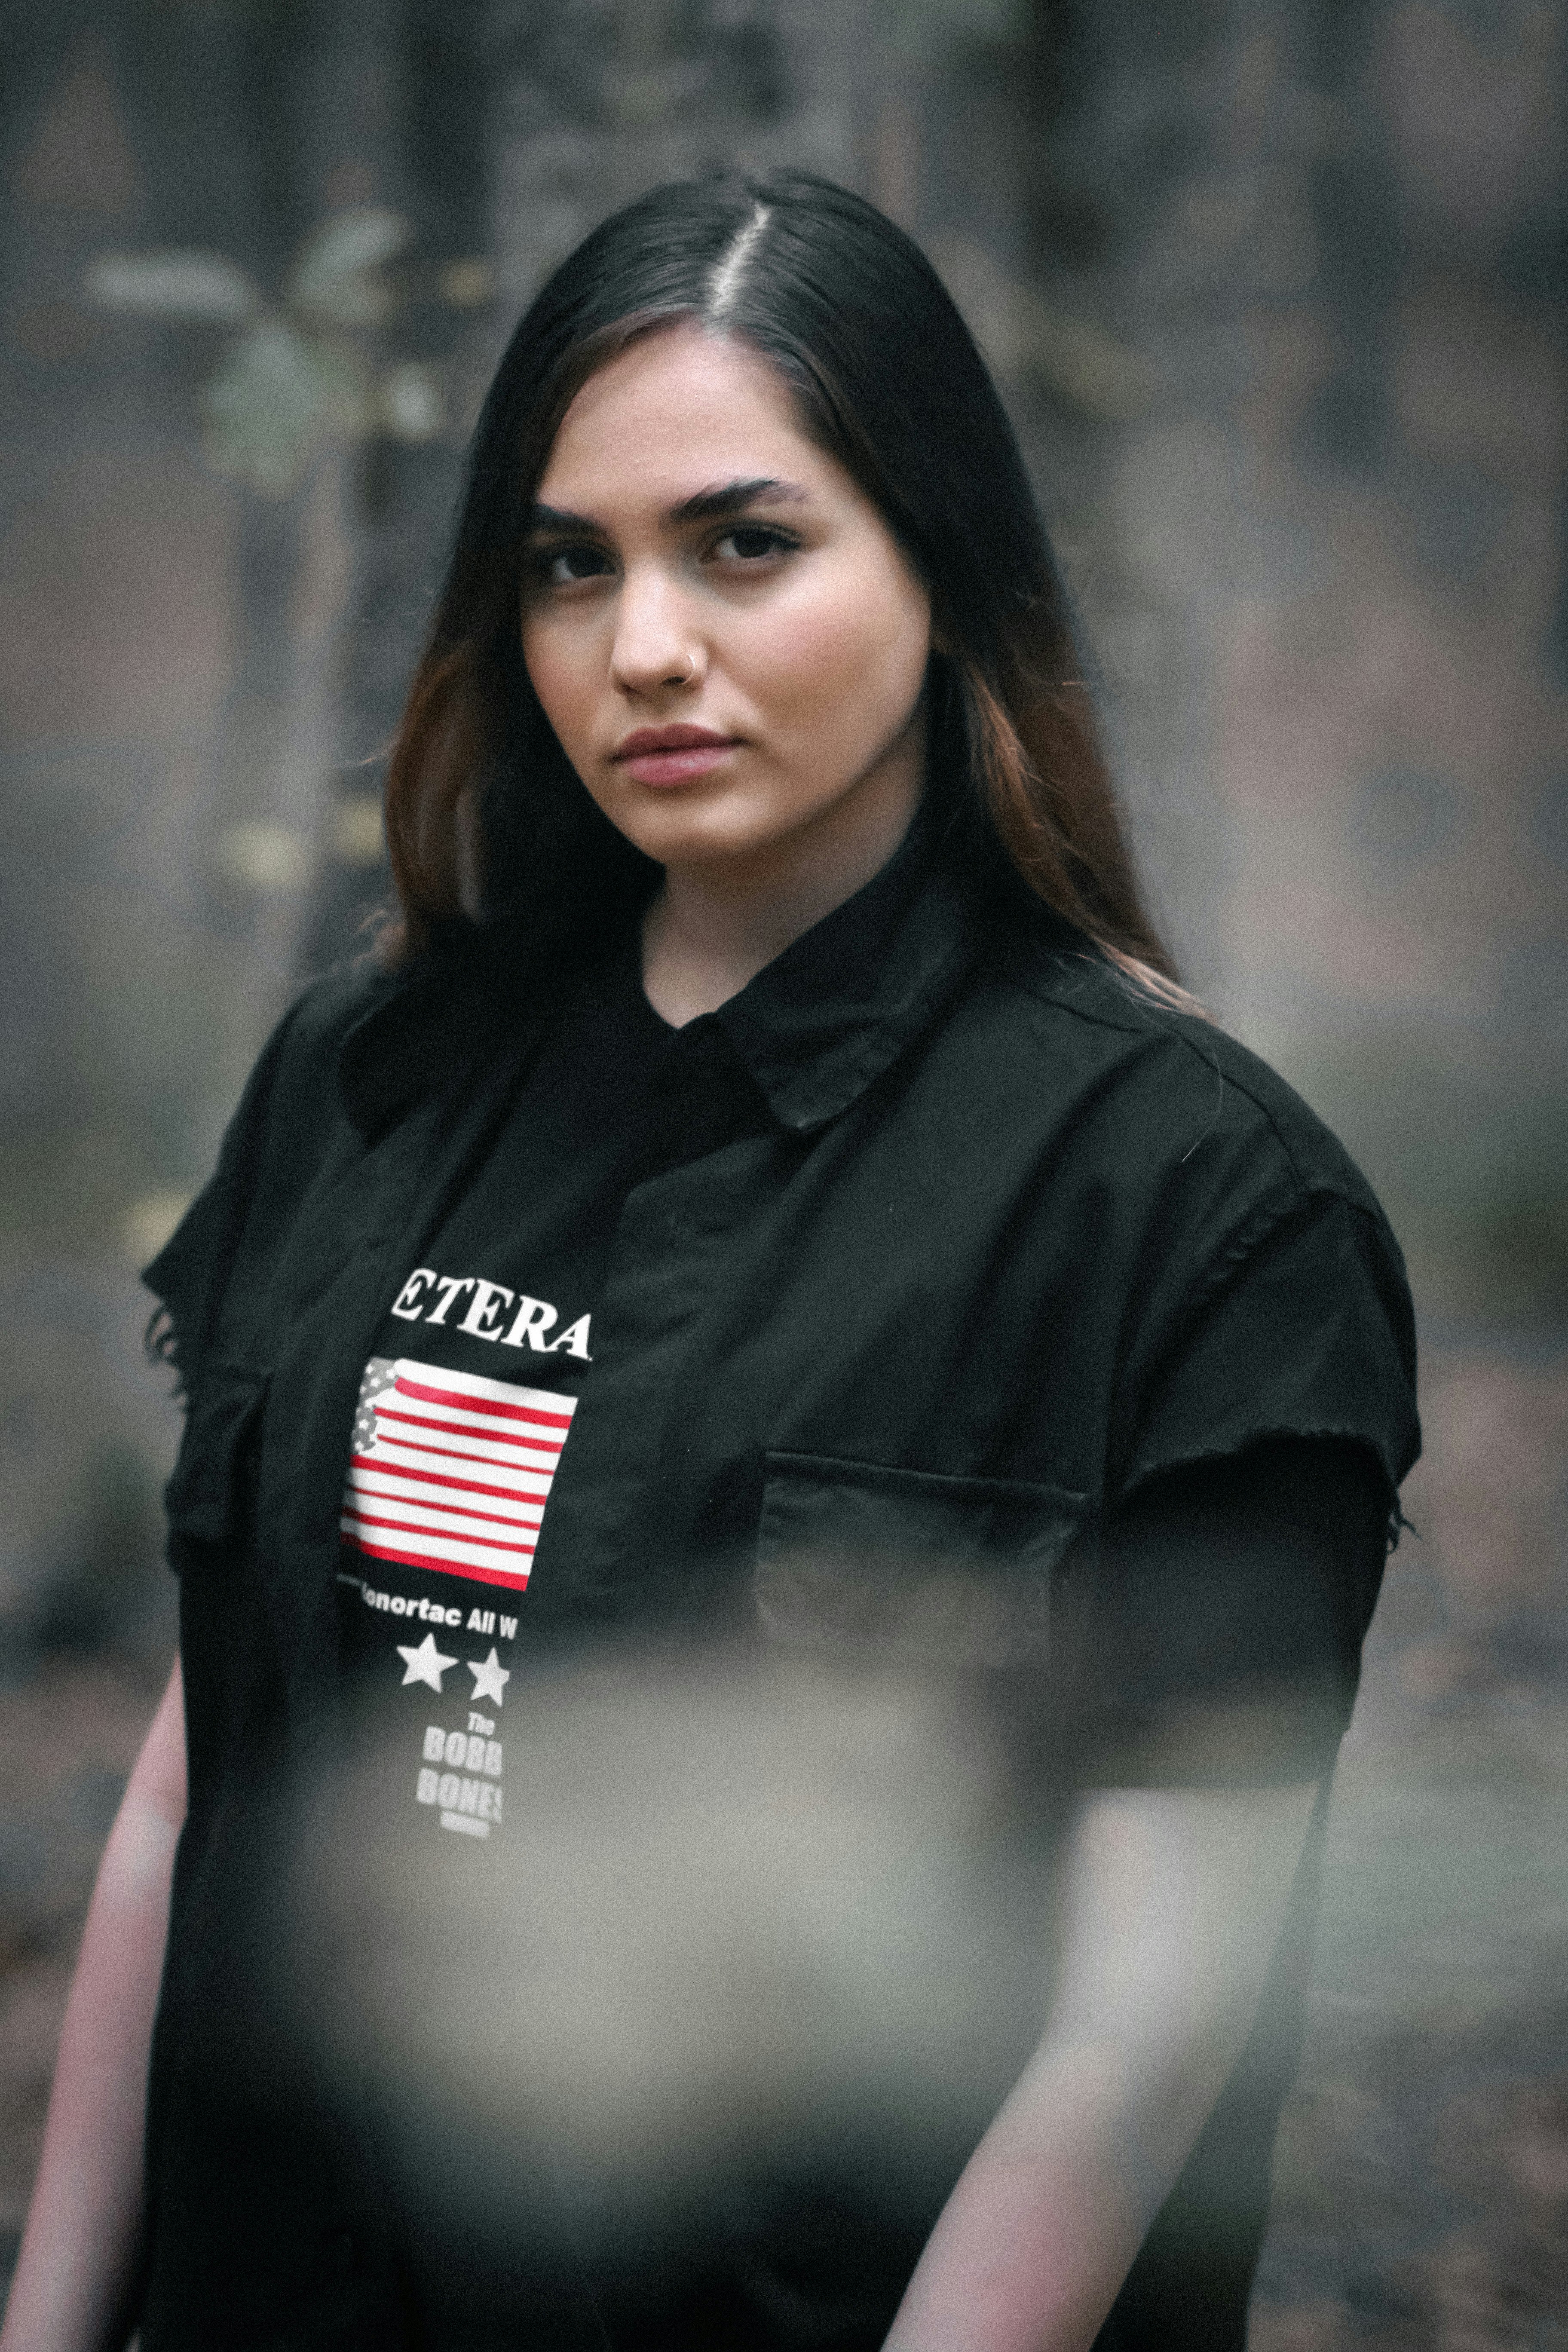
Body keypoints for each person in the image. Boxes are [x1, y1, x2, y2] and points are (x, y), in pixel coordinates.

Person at [2, 172, 1418, 2352]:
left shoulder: (1195, 1212)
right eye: (571, 564)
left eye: (745, 542)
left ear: (943, 569)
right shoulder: (367, 1078)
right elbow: (204, 1781)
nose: (643, 644)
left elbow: (1139, 2047)